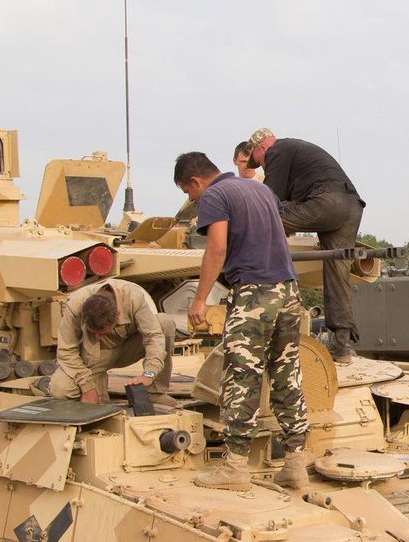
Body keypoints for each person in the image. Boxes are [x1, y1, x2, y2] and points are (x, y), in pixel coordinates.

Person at [174, 150, 309, 491]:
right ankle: (295, 463)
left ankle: (234, 467)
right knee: (287, 374)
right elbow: (278, 234)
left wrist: (200, 299)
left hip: (253, 294)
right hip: (288, 291)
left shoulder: (216, 195)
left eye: (188, 193)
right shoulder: (260, 189)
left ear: (195, 181)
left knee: (241, 376)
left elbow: (216, 248)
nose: (192, 199)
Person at [245, 127, 365, 363]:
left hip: (326, 201)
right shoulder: (298, 151)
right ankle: (342, 346)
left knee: (262, 217)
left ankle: (260, 305)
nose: (260, 165)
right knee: (337, 272)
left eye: (257, 161)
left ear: (261, 148)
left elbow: (270, 199)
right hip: (351, 207)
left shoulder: (276, 150)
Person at [49, 278, 177, 407]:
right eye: (94, 332)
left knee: (164, 323)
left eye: (103, 332)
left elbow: (153, 337)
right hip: (93, 357)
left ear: (117, 315)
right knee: (60, 390)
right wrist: (87, 387)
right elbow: (66, 351)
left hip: (128, 349)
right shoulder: (75, 305)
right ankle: (98, 390)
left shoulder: (133, 297)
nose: (98, 336)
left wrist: (149, 374)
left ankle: (154, 393)